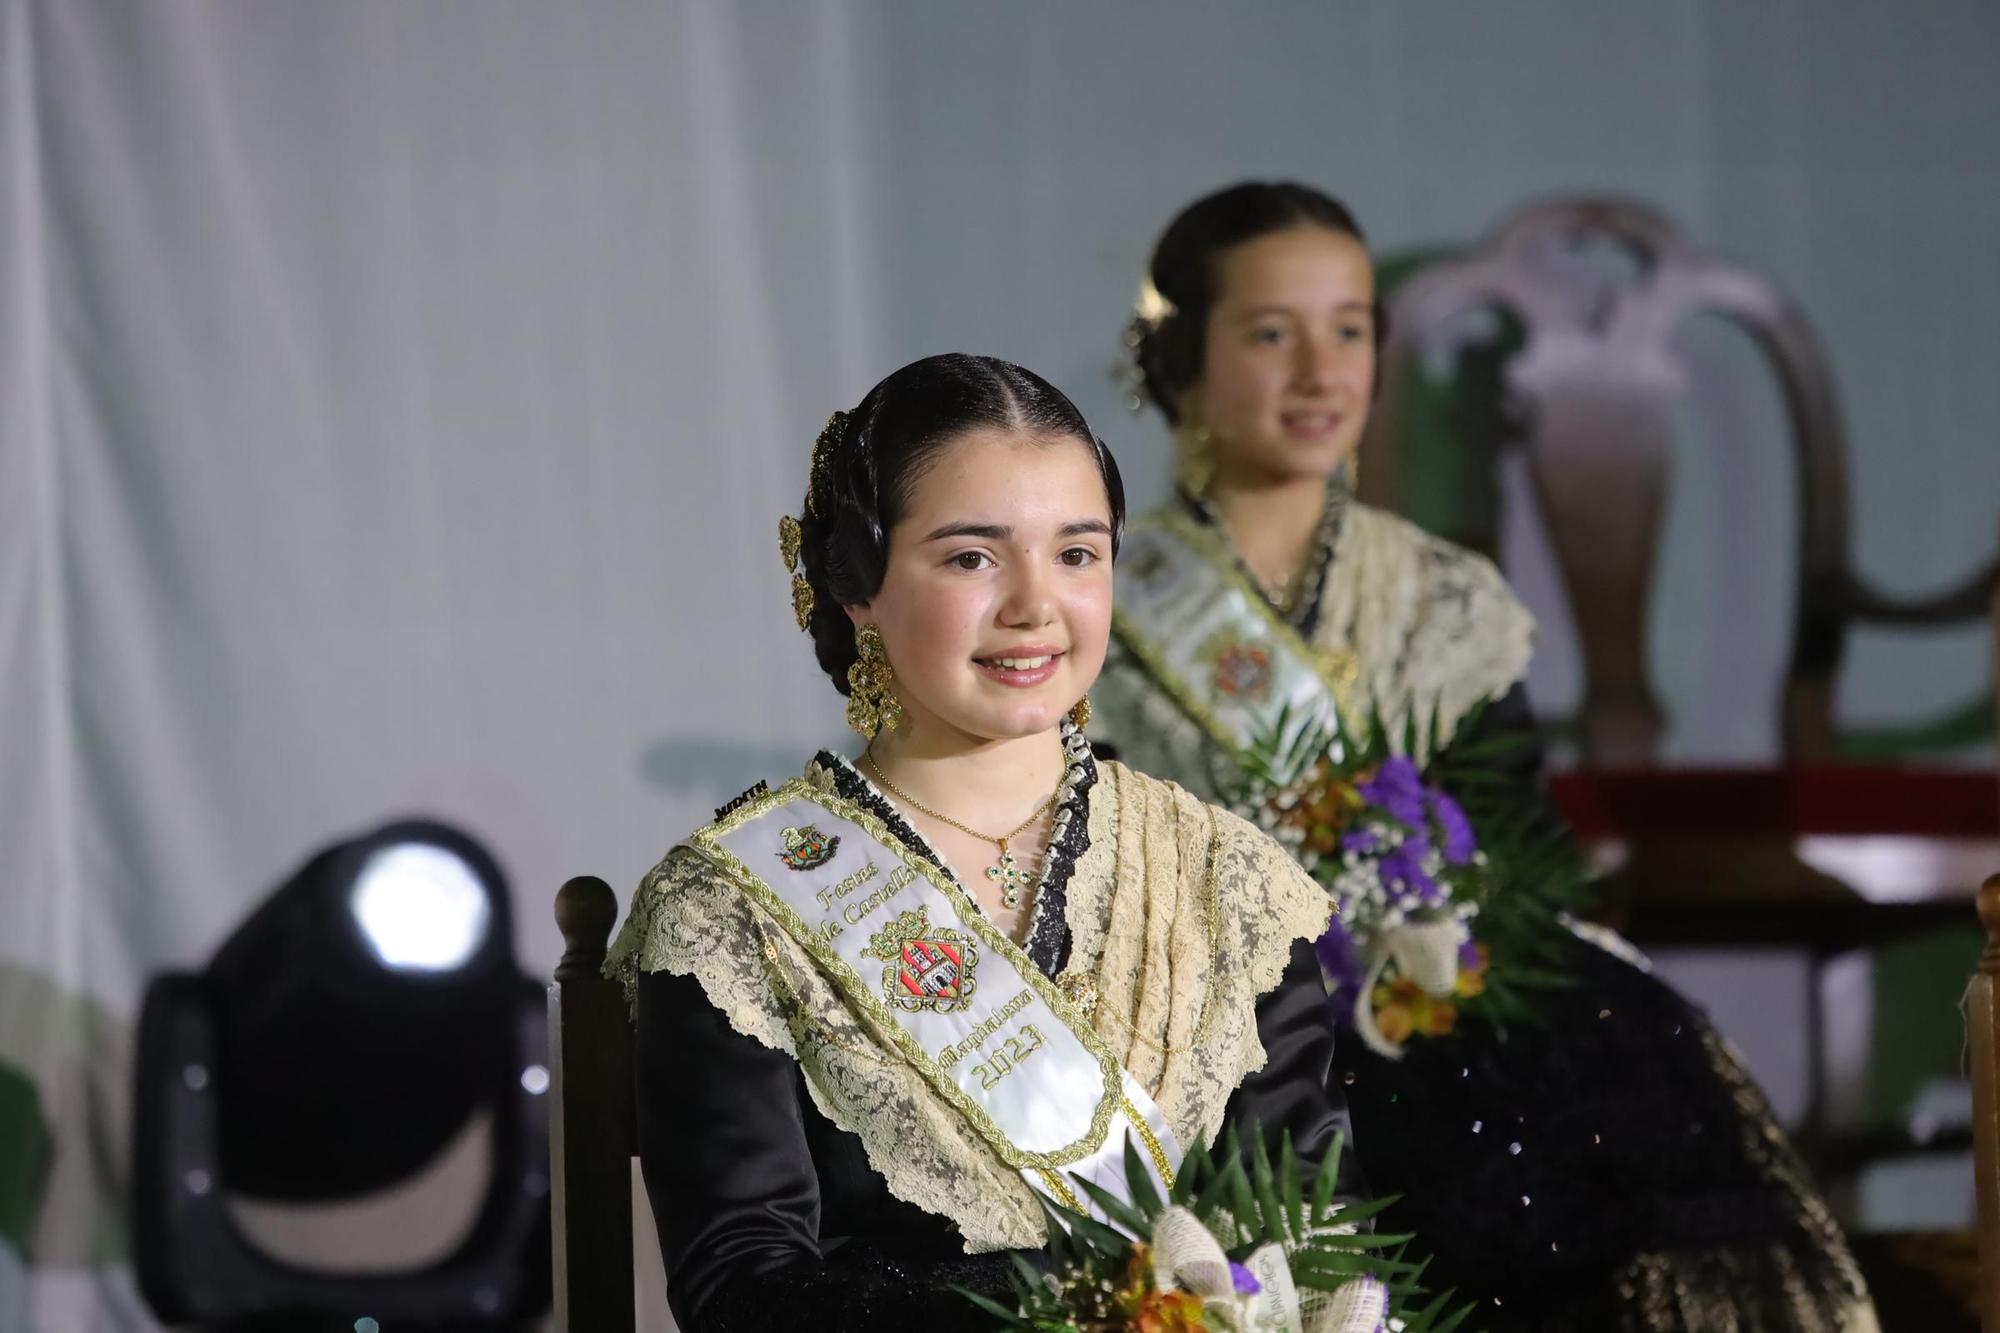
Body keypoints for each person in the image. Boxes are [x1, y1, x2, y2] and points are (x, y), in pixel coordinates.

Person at [1091, 182, 1878, 1332]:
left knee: (1612, 1036)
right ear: (1180, 359)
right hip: (1201, 1000)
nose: (1321, 370)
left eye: (1349, 329)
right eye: (1271, 334)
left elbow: (1514, 839)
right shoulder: (1096, 589)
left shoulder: (1439, 595)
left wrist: (1429, 922)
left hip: (1418, 989)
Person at [605, 353, 1364, 1332]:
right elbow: (743, 1292)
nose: (1033, 605)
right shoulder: (732, 911)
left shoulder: (1223, 879)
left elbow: (1307, 1233)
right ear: (857, 587)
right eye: (972, 556)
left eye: (1077, 553)